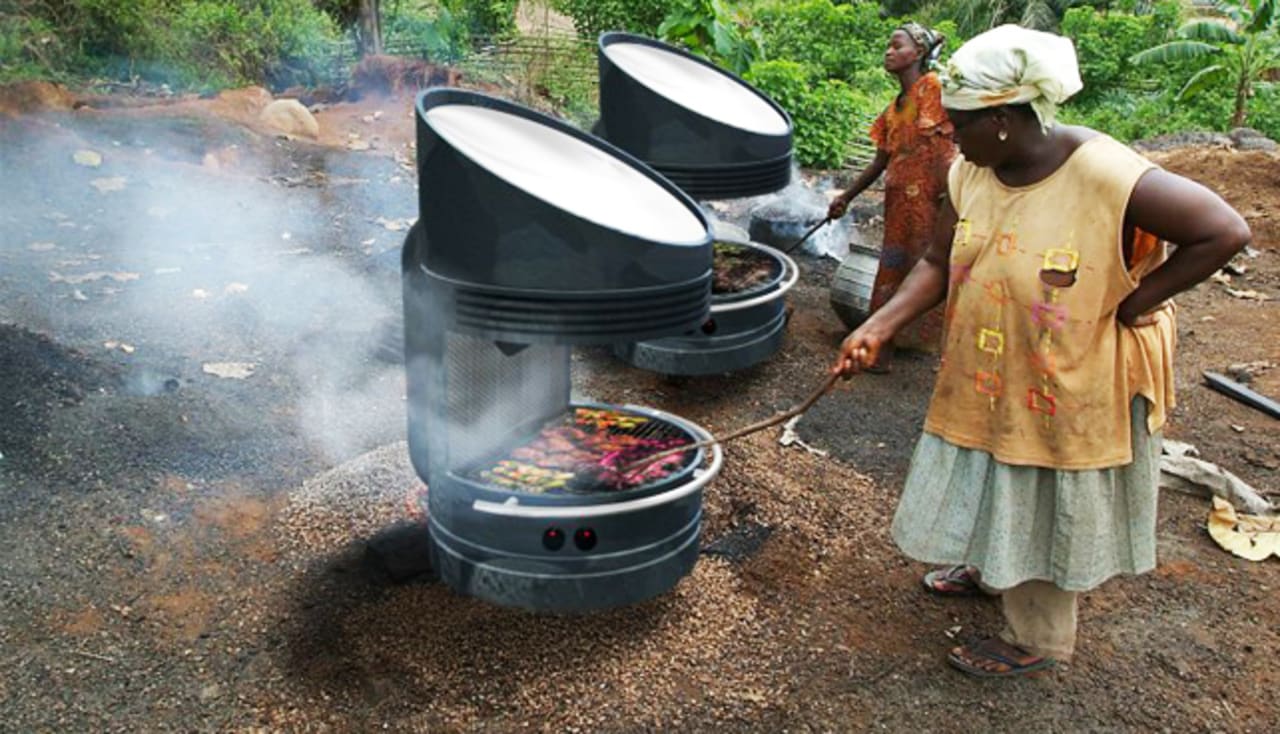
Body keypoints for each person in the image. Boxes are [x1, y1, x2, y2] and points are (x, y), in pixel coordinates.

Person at [832, 25, 1251, 678]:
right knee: (990, 463)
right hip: (992, 359)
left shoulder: (1103, 172)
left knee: (1042, 486)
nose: (950, 134)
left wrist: (1136, 303)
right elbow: (940, 260)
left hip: (1068, 372)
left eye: (961, 123)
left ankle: (1037, 637)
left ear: (1003, 118)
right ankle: (995, 567)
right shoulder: (972, 171)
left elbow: (1224, 231)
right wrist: (879, 324)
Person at [828, 21, 956, 372]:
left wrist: (951, 199)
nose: (889, 51)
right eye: (888, 46)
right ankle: (881, 348)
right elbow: (881, 160)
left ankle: (929, 353)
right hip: (900, 206)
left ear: (918, 52)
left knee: (933, 270)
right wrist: (847, 197)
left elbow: (946, 149)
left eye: (897, 46)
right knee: (893, 271)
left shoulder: (931, 89)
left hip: (934, 202)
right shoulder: (895, 107)